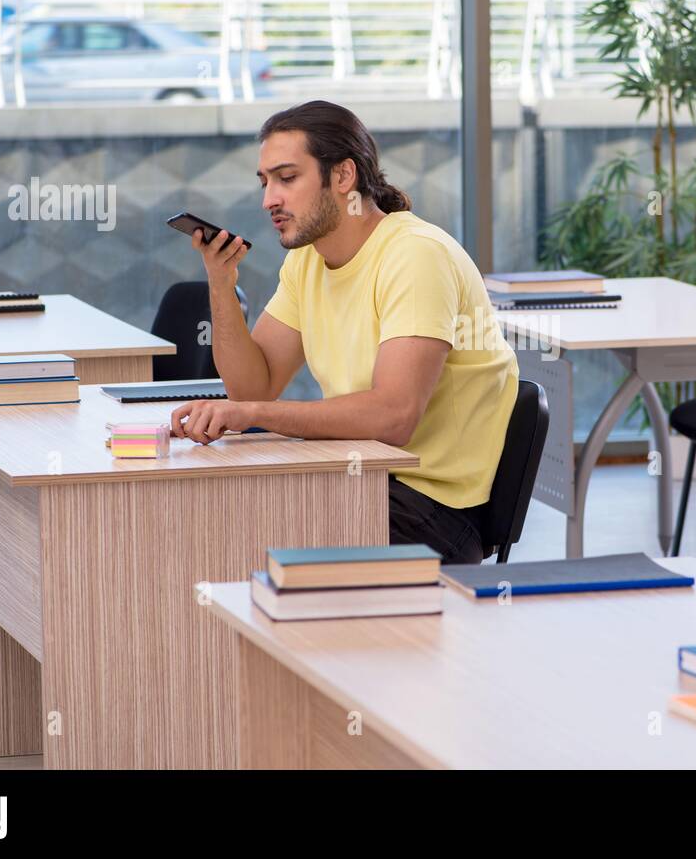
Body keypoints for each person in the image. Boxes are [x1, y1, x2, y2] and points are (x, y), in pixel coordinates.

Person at [170, 100, 519, 564]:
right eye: (265, 182)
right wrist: (221, 285)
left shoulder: (415, 256)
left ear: (343, 176)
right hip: (359, 476)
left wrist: (252, 412)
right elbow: (253, 385)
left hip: (430, 509)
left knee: (230, 534)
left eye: (287, 178)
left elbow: (394, 417)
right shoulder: (306, 261)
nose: (269, 199)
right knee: (204, 515)